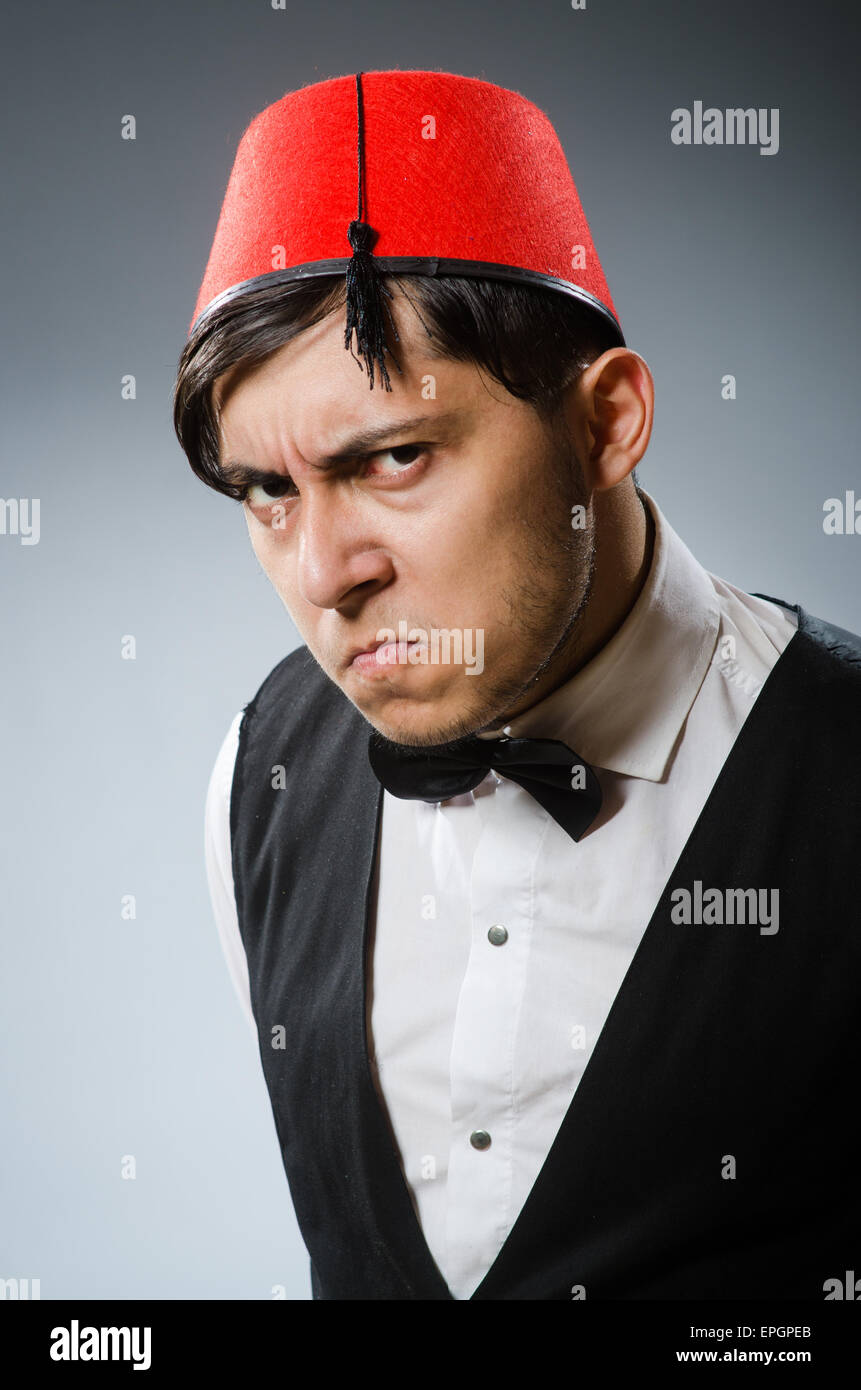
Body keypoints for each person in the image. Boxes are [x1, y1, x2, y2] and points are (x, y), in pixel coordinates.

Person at [173, 69, 861, 1301]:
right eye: (267, 493)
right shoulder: (255, 778)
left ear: (605, 425)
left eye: (392, 457)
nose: (326, 573)